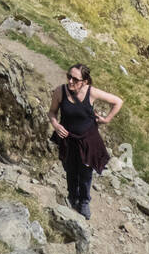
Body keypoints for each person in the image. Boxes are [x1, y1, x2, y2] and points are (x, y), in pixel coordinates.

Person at [48, 65, 122, 219]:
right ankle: (72, 196)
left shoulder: (91, 92)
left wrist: (107, 119)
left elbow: (117, 102)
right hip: (68, 139)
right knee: (70, 169)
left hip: (88, 139)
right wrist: (56, 125)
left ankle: (84, 201)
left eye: (75, 79)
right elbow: (52, 112)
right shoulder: (60, 91)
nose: (70, 81)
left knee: (86, 172)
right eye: (69, 76)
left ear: (85, 81)